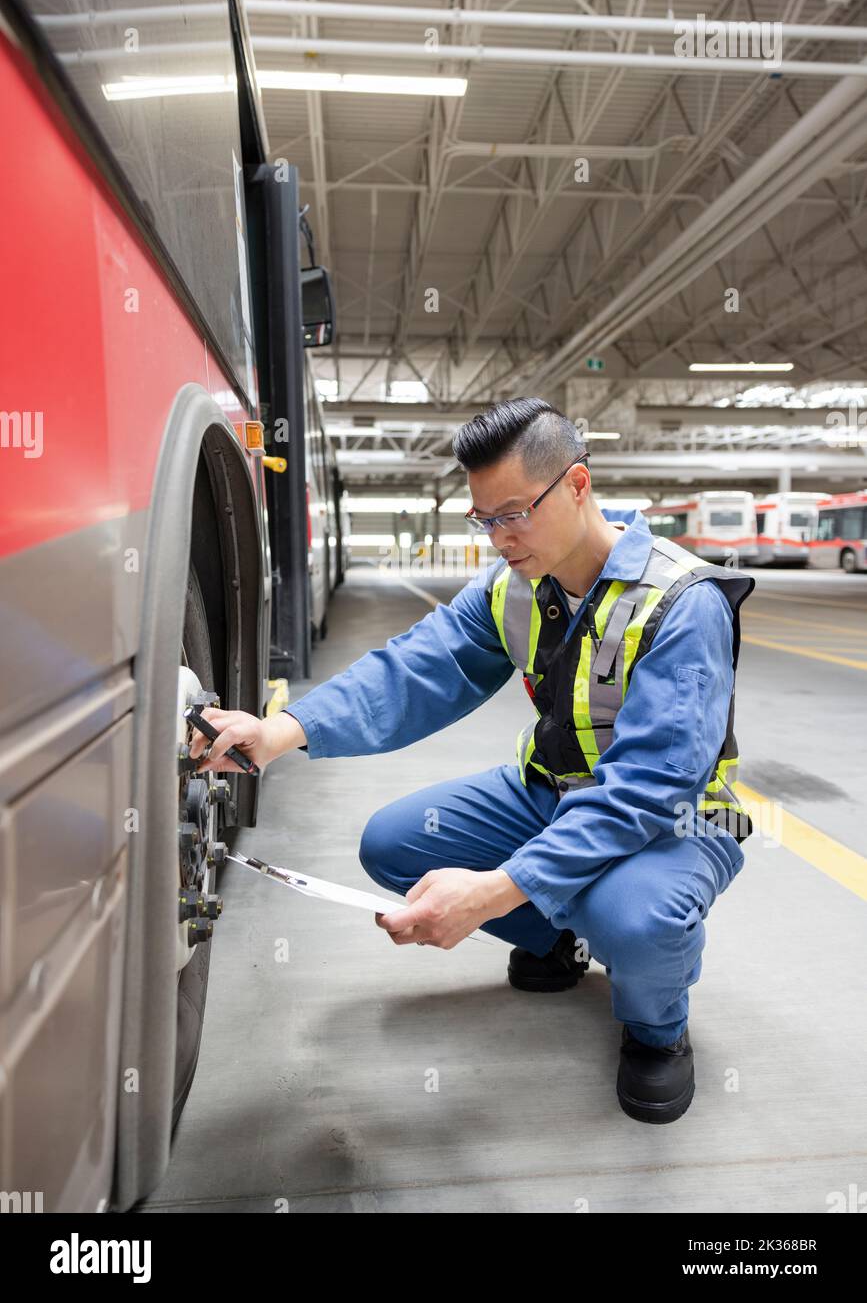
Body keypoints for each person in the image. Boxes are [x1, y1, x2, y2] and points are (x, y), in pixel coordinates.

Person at [189, 397, 755, 1123]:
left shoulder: (681, 603)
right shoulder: (513, 587)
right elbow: (413, 669)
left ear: (577, 486)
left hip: (671, 821)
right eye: (483, 519)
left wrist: (492, 892)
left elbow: (647, 789)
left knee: (635, 920)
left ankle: (656, 1031)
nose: (499, 538)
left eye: (513, 513)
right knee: (395, 841)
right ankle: (553, 939)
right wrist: (282, 730)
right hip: (549, 793)